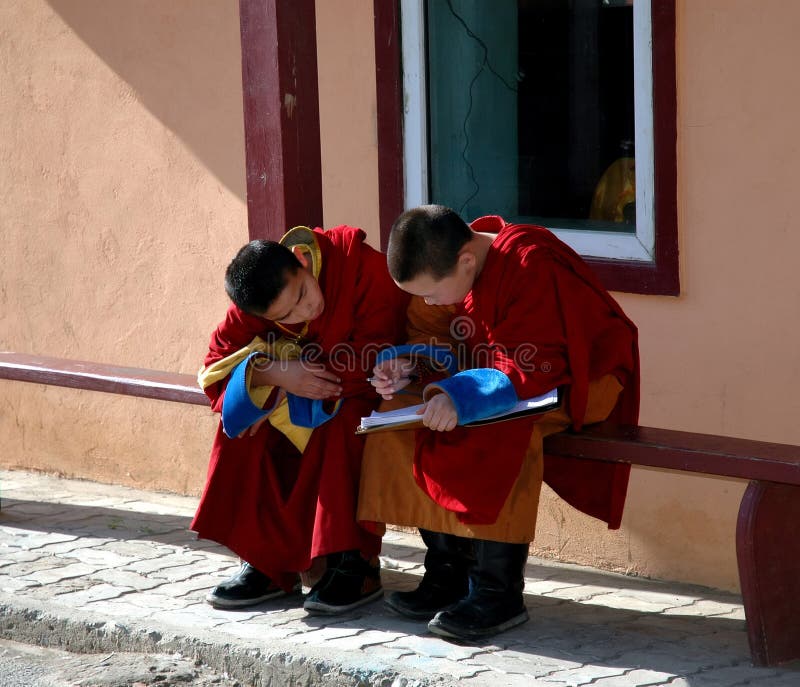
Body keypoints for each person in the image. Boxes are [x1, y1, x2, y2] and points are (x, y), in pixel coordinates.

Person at [358, 205, 639, 640]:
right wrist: (408, 365)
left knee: (497, 427)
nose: (428, 301)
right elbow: (429, 331)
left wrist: (459, 395)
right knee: (397, 417)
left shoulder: (530, 262)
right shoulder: (452, 265)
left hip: (578, 379)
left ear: (466, 261)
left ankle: (498, 592)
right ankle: (447, 573)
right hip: (494, 373)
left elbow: (536, 362)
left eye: (432, 293)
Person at [191, 224, 409, 615]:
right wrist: (274, 374)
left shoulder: (360, 267)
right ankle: (265, 562)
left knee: (343, 423)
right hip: (297, 390)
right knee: (242, 424)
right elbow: (216, 366)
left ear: (302, 262)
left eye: (303, 294)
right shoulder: (254, 301)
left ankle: (354, 563)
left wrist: (304, 373)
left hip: (364, 392)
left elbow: (381, 346)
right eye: (286, 316)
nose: (304, 312)